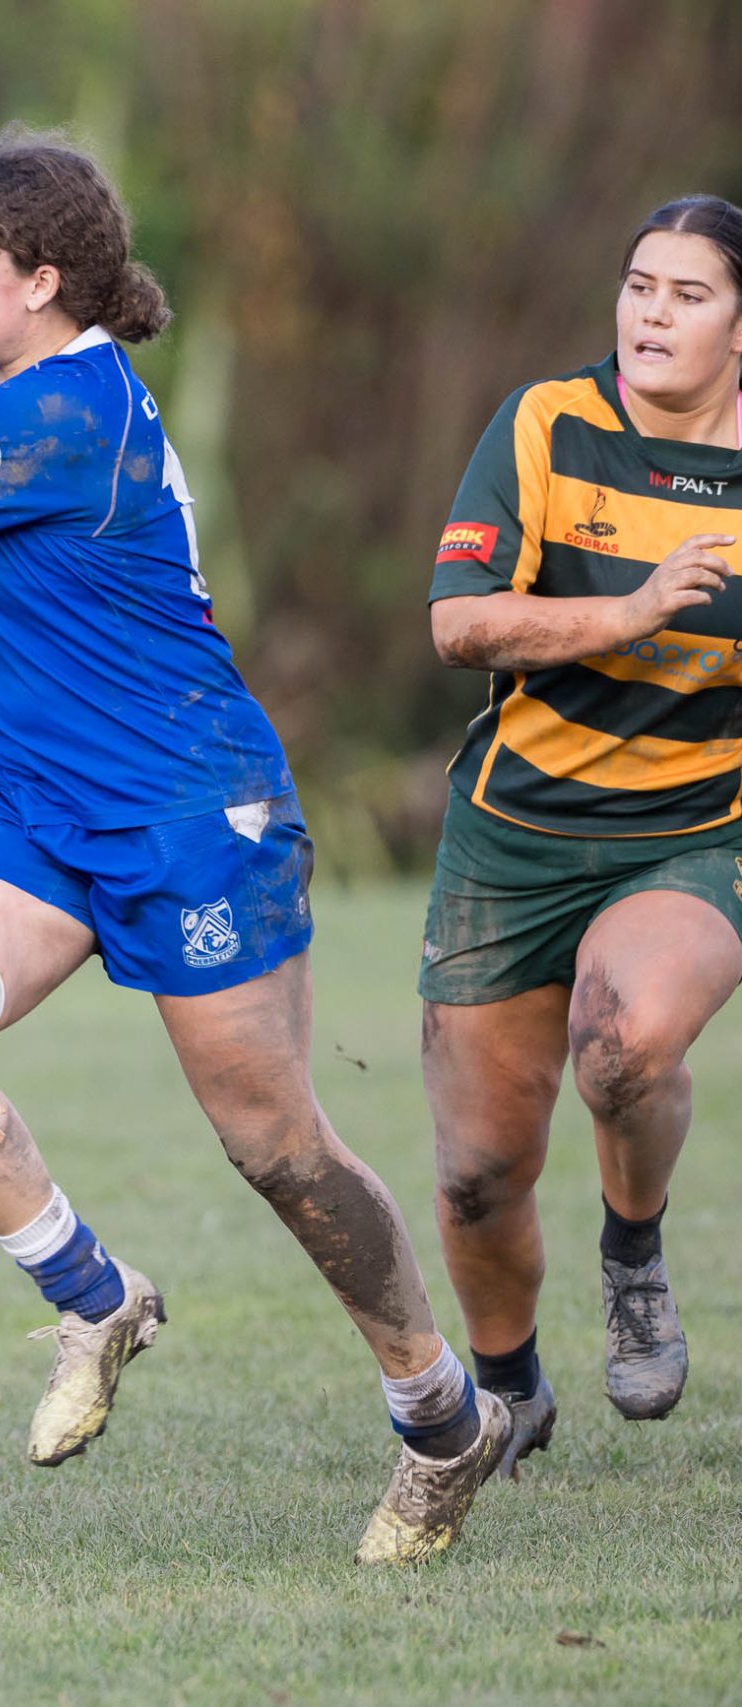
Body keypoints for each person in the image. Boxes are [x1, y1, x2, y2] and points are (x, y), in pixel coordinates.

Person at [0, 129, 516, 1566]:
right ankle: (95, 1294)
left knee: (277, 1149)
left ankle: (441, 1415)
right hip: (42, 817)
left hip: (195, 815)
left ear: (42, 280)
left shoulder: (65, 414)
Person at [421, 195, 742, 1455]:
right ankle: (508, 1388)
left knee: (622, 1044)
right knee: (476, 1172)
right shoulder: (548, 423)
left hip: (690, 833)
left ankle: (635, 1251)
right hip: (512, 836)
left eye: (689, 294)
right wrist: (628, 612)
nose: (652, 313)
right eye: (638, 285)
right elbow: (456, 625)